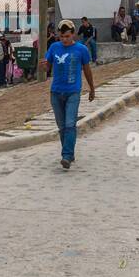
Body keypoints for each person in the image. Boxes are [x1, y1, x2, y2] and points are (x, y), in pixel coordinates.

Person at [44, 19, 95, 170]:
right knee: (61, 127)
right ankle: (70, 153)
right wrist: (43, 67)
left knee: (70, 124)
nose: (64, 39)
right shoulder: (53, 47)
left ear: (73, 35)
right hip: (56, 92)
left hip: (73, 92)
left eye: (67, 36)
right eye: (61, 37)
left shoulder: (81, 50)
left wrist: (92, 88)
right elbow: (47, 67)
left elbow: (87, 70)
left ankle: (66, 155)